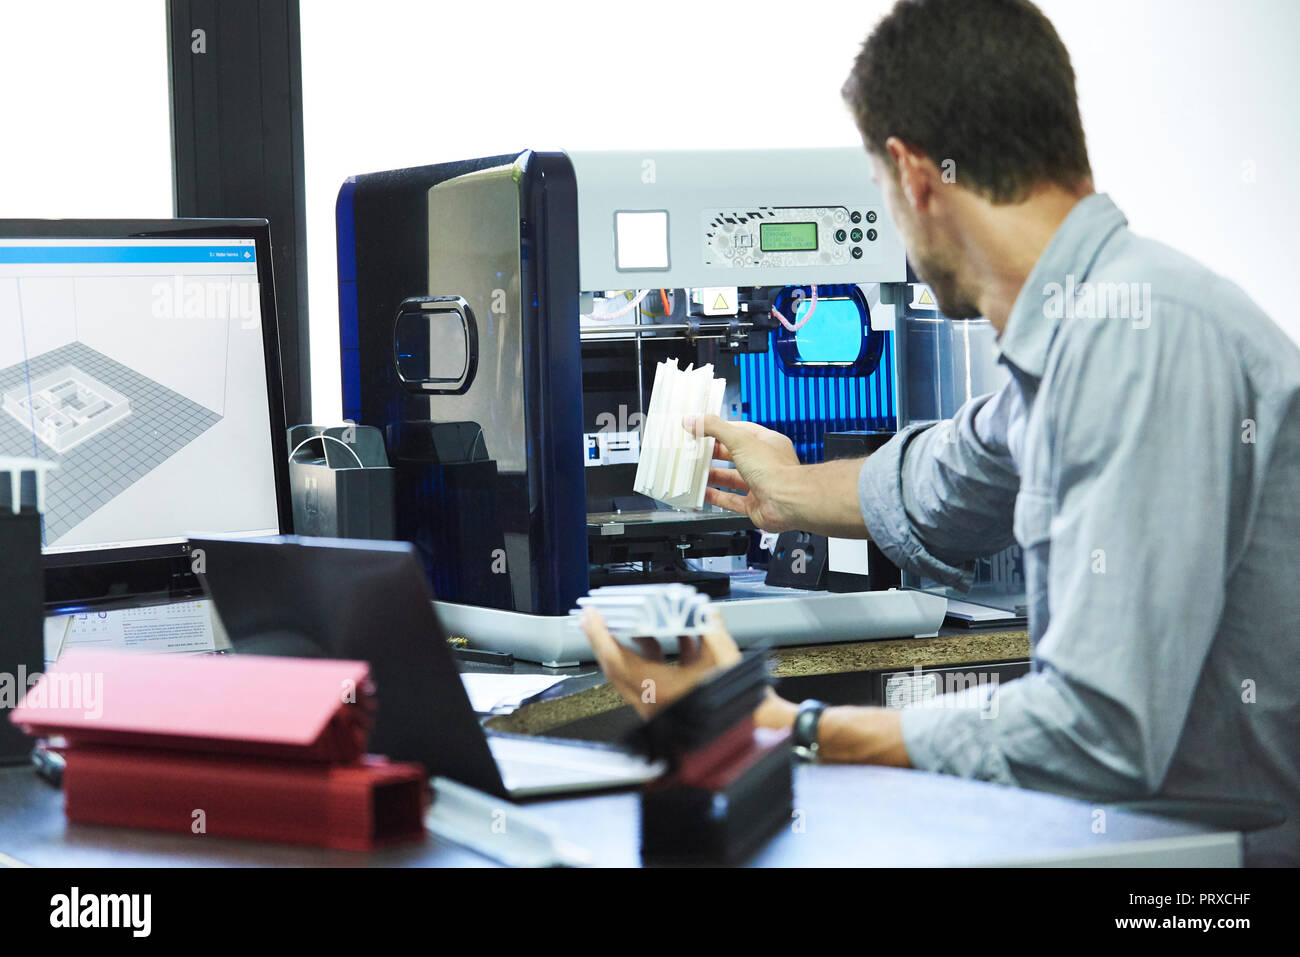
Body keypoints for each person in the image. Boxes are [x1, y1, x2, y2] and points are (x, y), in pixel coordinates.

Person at [581, 0, 1300, 865]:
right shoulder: (1082, 330)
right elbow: (949, 480)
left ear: (915, 176)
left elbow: (1096, 733)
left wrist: (794, 726)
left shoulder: (1136, 337)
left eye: (883, 196)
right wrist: (789, 486)